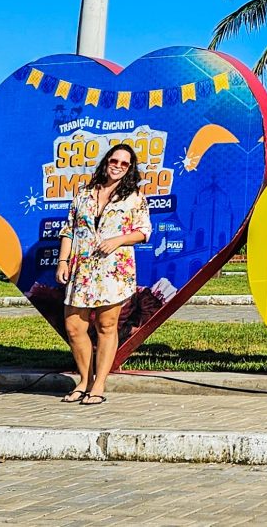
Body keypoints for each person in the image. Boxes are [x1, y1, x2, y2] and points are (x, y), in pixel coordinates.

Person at [56, 142, 152, 406]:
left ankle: (98, 385)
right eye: (114, 161)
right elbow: (68, 230)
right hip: (82, 268)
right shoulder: (83, 195)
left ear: (130, 168)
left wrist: (119, 240)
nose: (118, 166)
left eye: (124, 163)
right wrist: (63, 261)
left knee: (107, 326)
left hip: (113, 269)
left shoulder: (135, 198)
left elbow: (144, 231)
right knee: (74, 327)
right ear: (106, 162)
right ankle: (84, 381)